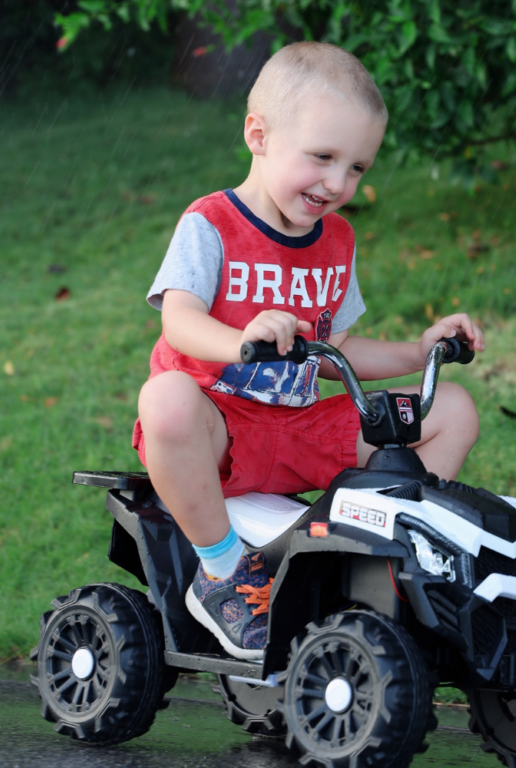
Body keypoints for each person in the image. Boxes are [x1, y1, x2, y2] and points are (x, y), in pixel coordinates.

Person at [133, 42, 484, 660]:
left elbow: (335, 352)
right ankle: (223, 573)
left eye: (357, 168)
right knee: (164, 399)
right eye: (322, 157)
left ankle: (386, 562)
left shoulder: (336, 239)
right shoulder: (210, 224)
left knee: (451, 407)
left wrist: (418, 349)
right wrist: (243, 343)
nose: (338, 183)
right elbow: (180, 323)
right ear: (259, 135)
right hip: (217, 430)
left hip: (297, 430)